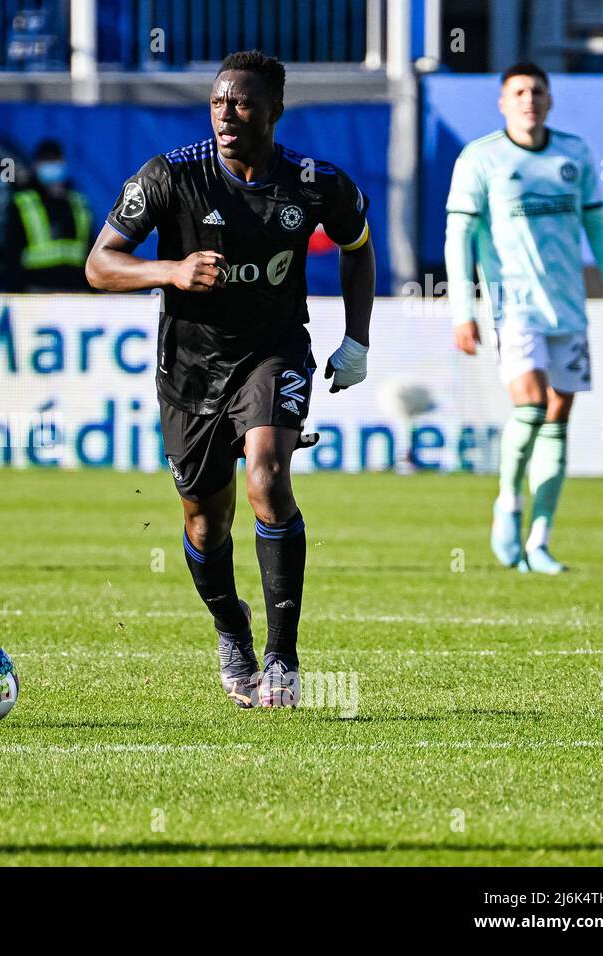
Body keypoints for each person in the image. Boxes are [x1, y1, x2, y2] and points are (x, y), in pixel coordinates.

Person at [86, 50, 375, 710]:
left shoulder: (313, 182)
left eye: (241, 103)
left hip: (274, 355)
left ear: (274, 111)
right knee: (204, 524)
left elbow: (358, 246)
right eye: (218, 101)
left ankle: (282, 658)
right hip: (189, 374)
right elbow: (100, 266)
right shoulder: (170, 175)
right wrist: (172, 271)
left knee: (268, 476)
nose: (226, 113)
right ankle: (231, 630)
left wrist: (356, 339)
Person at [445, 62, 603, 574]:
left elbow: (597, 228)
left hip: (569, 307)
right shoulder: (480, 158)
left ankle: (540, 540)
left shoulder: (573, 154)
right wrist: (463, 310)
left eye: (538, 91)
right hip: (514, 308)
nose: (530, 99)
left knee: (558, 417)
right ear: (503, 102)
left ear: (550, 100)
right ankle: (507, 503)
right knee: (530, 406)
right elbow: (458, 239)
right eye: (520, 92)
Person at [4, 140, 93, 292]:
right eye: (46, 161)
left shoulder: (79, 203)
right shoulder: (23, 202)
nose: (52, 165)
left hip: (77, 292)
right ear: (35, 166)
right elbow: (11, 255)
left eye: (55, 160)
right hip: (37, 291)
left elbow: (91, 250)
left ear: (64, 163)